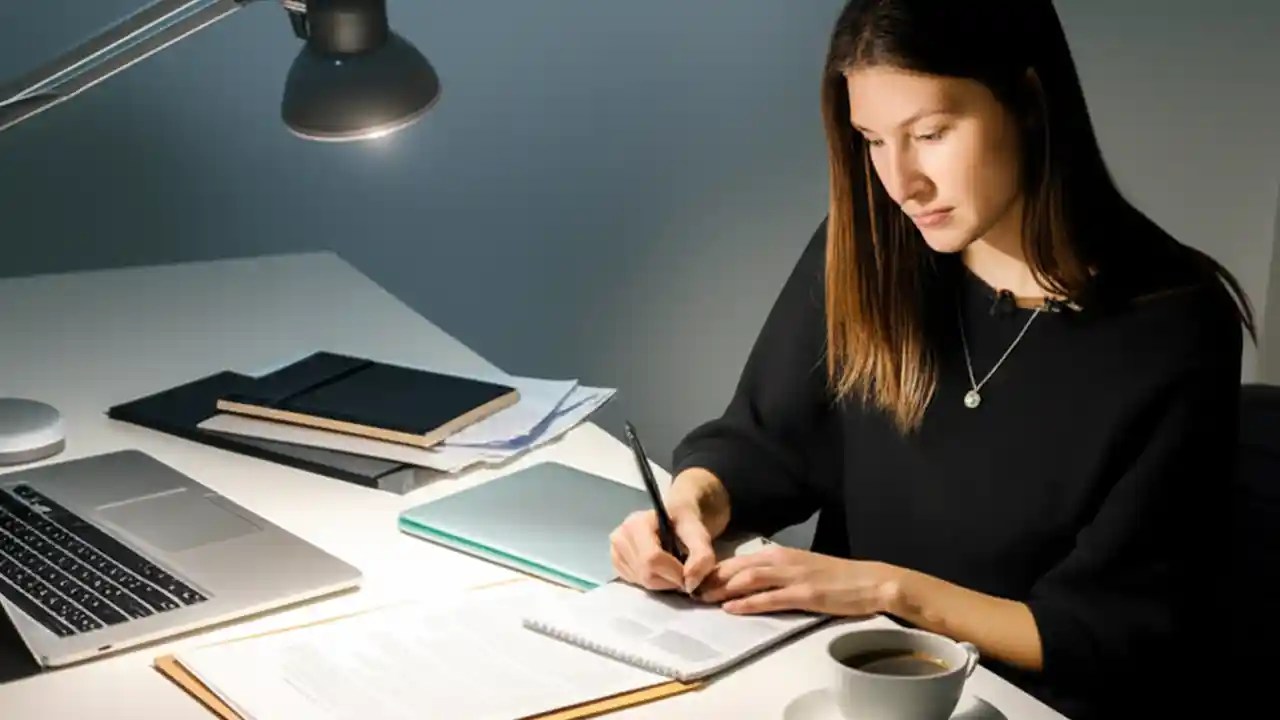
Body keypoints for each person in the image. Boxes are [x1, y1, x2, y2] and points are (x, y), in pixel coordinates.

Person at [608, 1, 1253, 718]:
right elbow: (766, 443)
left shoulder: (1174, 324)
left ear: (1027, 101)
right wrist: (690, 504)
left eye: (930, 134)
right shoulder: (873, 248)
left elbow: (1111, 630)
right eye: (872, 141)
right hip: (856, 686)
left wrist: (890, 591)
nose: (901, 182)